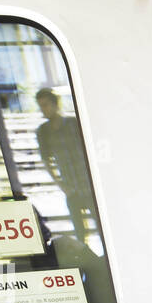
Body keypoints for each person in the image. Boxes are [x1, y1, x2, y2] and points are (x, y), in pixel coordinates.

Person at [35, 88, 96, 239]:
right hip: (71, 189)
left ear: (56, 104)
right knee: (80, 233)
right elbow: (46, 160)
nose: (43, 110)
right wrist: (61, 185)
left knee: (101, 226)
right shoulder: (43, 131)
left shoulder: (74, 123)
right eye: (40, 106)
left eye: (46, 105)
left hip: (89, 185)